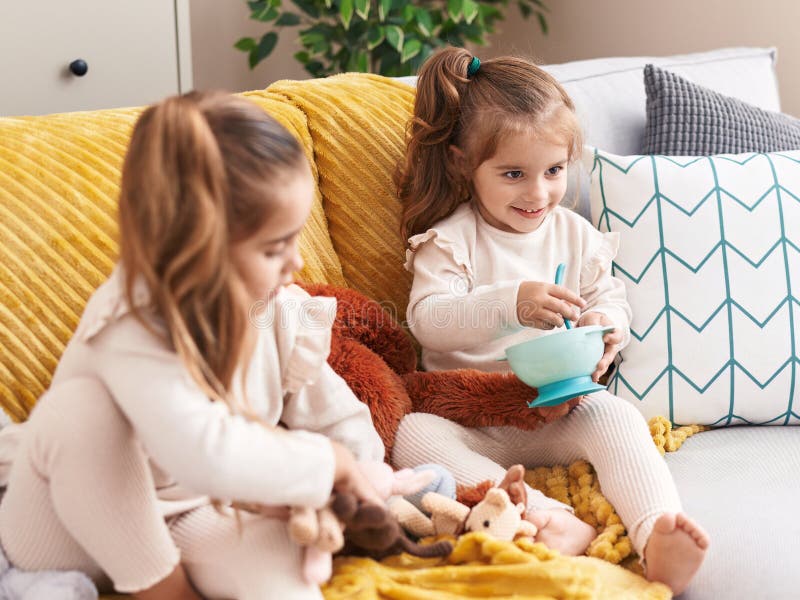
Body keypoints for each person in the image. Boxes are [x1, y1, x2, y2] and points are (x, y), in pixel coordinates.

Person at [0, 91, 386, 600]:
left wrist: (360, 483)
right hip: (69, 529)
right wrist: (325, 461)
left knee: (284, 573)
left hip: (195, 513)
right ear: (195, 249)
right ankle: (165, 590)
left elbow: (335, 415)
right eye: (275, 248)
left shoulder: (275, 308)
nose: (296, 263)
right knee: (79, 410)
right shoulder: (130, 321)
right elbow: (203, 452)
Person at [392, 47, 709, 596]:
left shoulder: (574, 234)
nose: (538, 193)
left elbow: (608, 296)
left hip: (556, 409)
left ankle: (655, 533)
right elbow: (428, 320)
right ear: (464, 164)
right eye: (514, 173)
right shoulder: (449, 241)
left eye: (554, 171)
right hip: (474, 420)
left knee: (615, 416)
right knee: (411, 438)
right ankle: (548, 516)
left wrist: (607, 326)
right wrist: (510, 303)